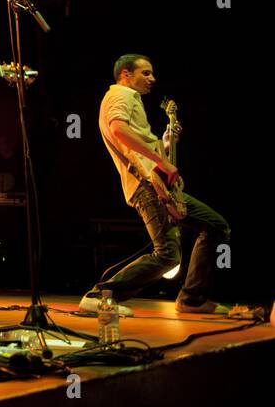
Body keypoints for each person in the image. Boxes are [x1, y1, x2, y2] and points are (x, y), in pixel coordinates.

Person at [80, 54, 232, 317]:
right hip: (147, 186)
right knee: (168, 255)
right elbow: (118, 130)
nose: (153, 79)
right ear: (126, 74)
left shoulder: (127, 99)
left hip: (154, 184)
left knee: (214, 225)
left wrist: (161, 145)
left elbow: (133, 143)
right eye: (146, 73)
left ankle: (192, 298)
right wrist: (160, 161)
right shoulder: (122, 95)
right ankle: (102, 295)